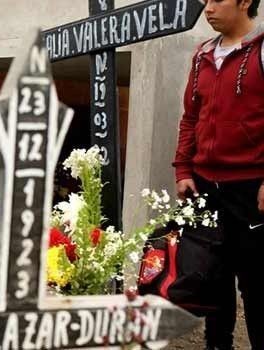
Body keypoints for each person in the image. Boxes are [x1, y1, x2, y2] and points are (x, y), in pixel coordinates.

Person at [173, 0, 264, 349]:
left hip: (250, 190)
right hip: (206, 187)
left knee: (256, 286)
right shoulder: (202, 56)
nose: (207, 8)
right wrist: (183, 169)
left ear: (244, 2)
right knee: (212, 280)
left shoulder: (260, 51)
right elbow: (190, 118)